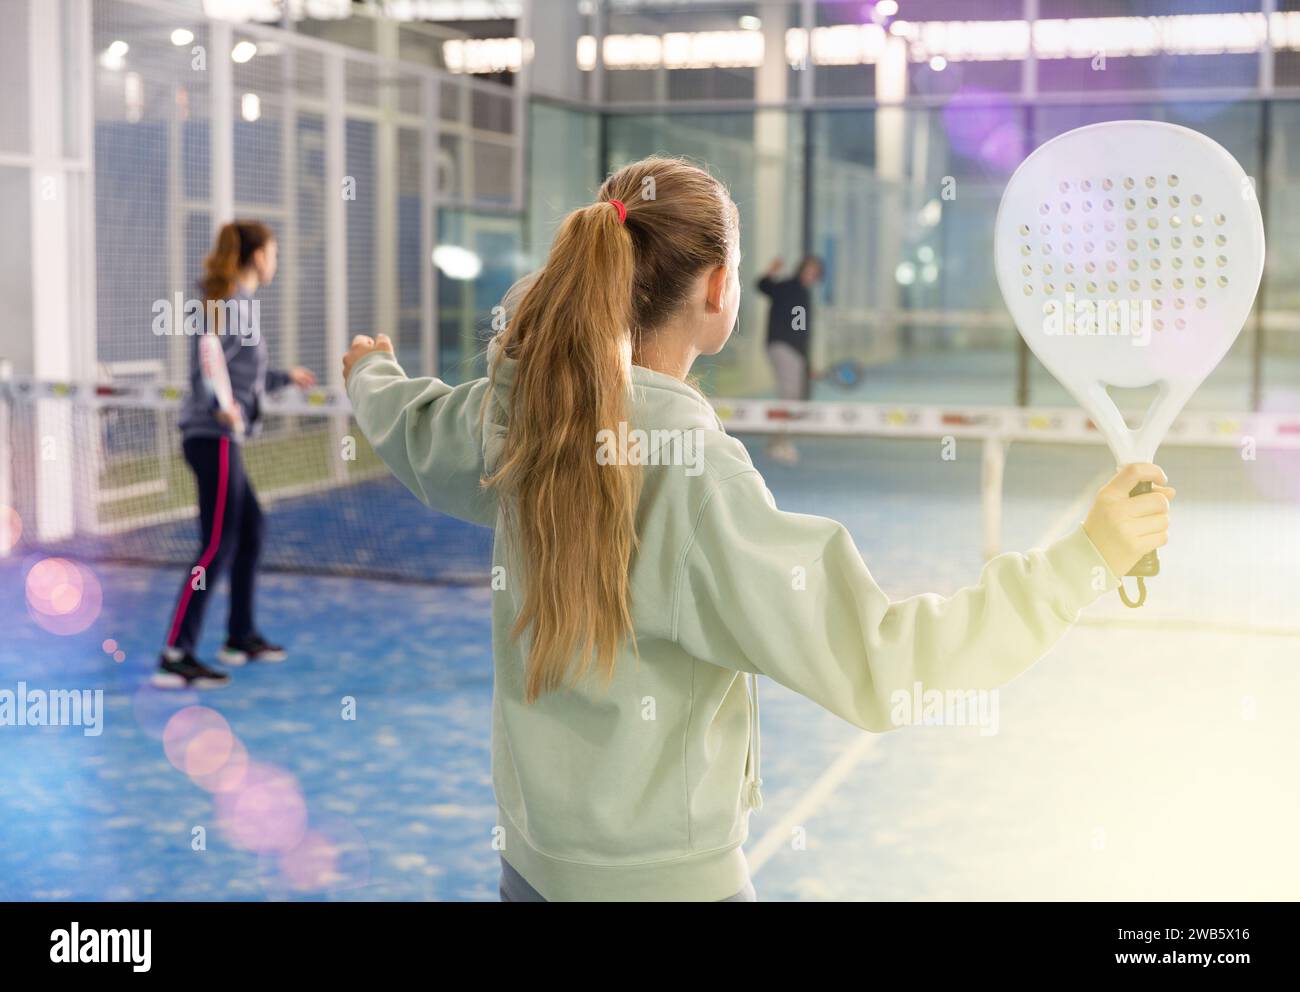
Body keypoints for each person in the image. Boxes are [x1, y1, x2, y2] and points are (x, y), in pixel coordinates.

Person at [342, 157, 1173, 902]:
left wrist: (370, 374)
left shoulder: (518, 414)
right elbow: (882, 664)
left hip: (528, 870)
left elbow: (419, 432)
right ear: (717, 291)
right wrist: (1085, 560)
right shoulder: (697, 474)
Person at [154, 220, 316, 690]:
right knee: (215, 546)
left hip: (221, 436)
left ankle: (239, 636)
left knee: (251, 530)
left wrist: (285, 378)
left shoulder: (239, 304)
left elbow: (241, 375)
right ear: (258, 256)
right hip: (214, 438)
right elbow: (206, 361)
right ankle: (175, 653)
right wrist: (220, 407)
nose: (276, 262)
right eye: (274, 252)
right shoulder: (230, 304)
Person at [757, 254, 823, 464]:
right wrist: (772, 269)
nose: (810, 275)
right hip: (785, 348)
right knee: (790, 397)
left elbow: (800, 330)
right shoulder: (791, 288)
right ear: (801, 270)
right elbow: (762, 285)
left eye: (814, 272)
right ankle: (779, 445)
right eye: (808, 270)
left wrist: (807, 364)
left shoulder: (800, 292)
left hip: (788, 349)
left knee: (791, 396)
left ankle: (777, 442)